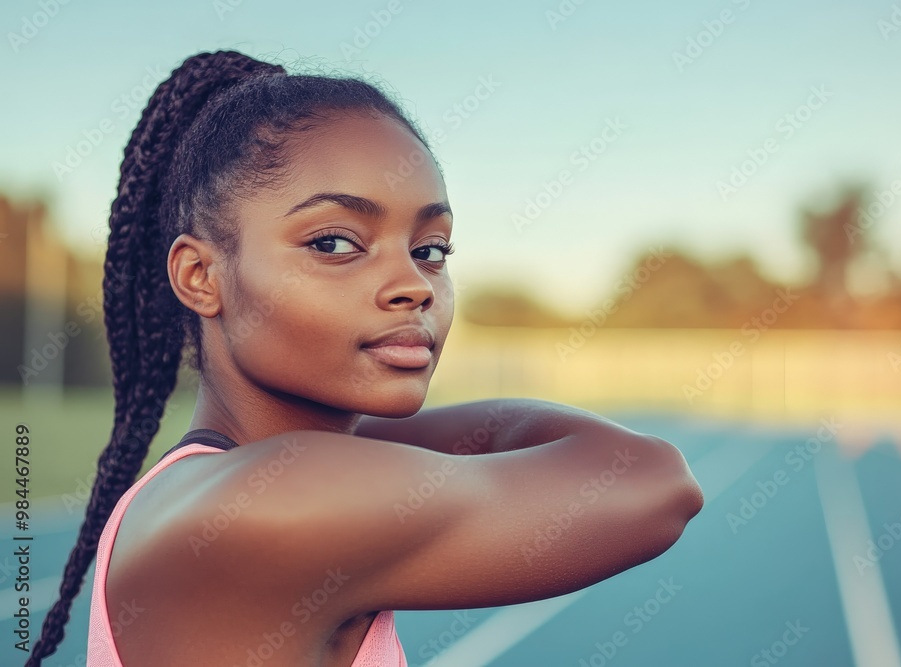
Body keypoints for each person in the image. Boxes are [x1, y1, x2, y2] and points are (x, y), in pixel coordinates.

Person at [26, 50, 704, 667]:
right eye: (334, 243)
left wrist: (355, 429)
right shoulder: (261, 504)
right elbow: (654, 483)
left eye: (430, 248)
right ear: (201, 275)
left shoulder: (208, 486)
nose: (413, 283)